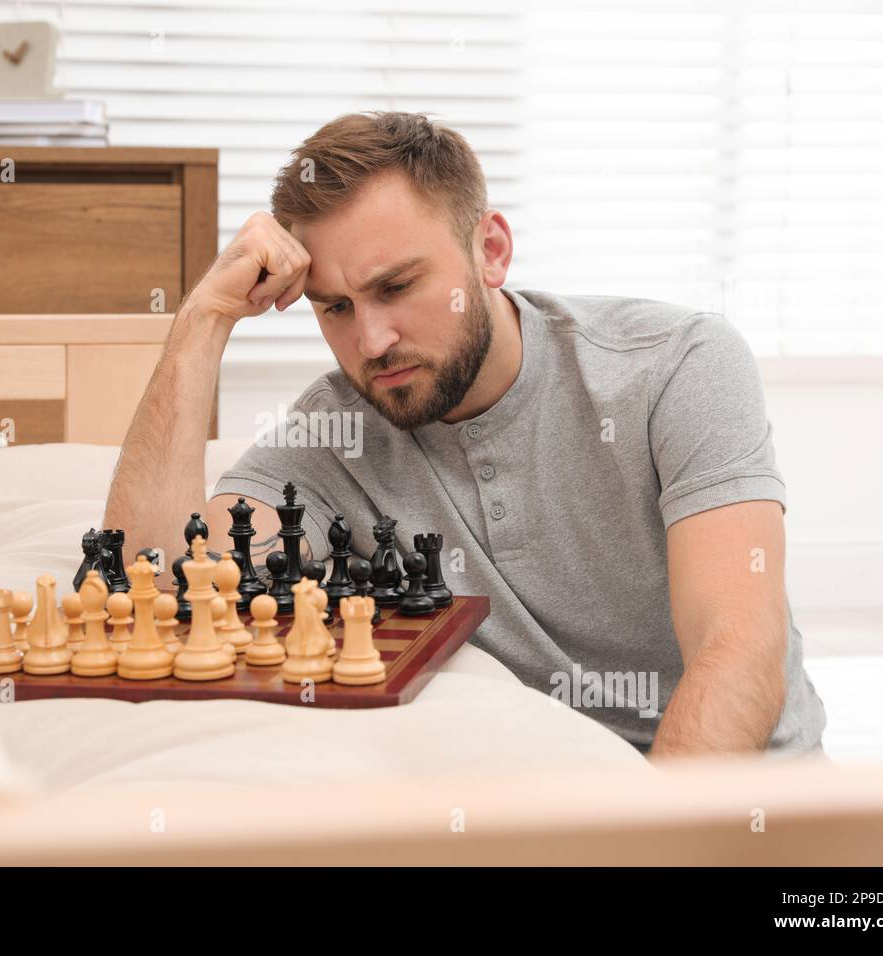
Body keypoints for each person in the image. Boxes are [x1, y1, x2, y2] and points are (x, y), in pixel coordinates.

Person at [103, 111, 827, 757]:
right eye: (335, 308)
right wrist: (203, 320)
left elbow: (739, 645)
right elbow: (152, 585)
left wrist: (652, 839)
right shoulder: (332, 432)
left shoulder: (678, 365)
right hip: (539, 806)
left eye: (397, 287)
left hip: (738, 801)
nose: (373, 340)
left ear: (491, 251)